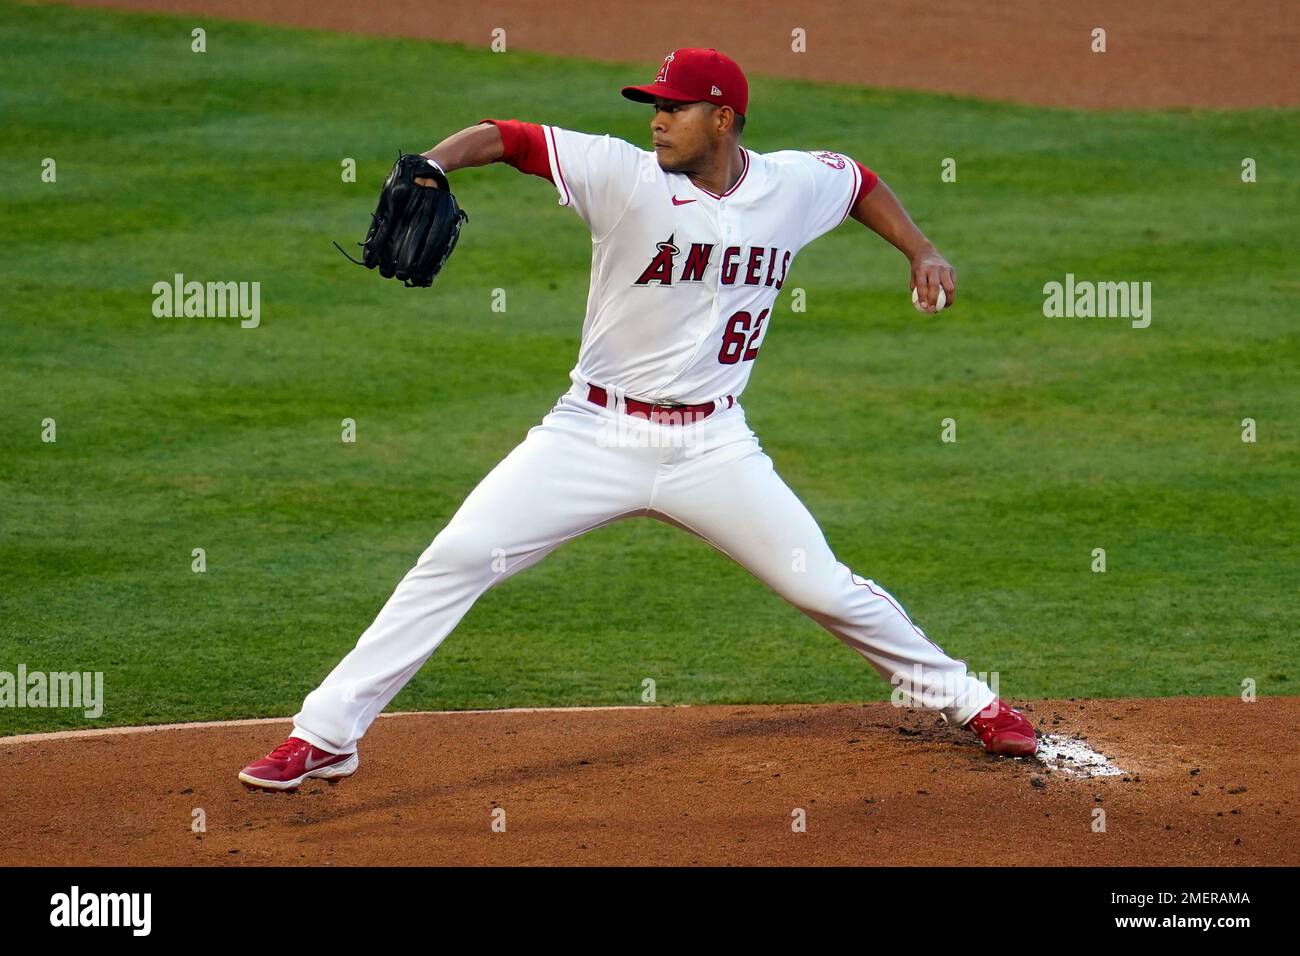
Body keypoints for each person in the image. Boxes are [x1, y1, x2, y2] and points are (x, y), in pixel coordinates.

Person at [239, 47, 1036, 791]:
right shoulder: (622, 174)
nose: (656, 119)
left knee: (821, 586)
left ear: (723, 119)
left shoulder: (790, 185)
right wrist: (435, 162)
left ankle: (972, 701)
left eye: (675, 107)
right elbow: (512, 137)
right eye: (653, 105)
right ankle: (327, 733)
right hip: (592, 432)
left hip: (714, 443)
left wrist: (920, 248)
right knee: (461, 554)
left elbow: (856, 180)